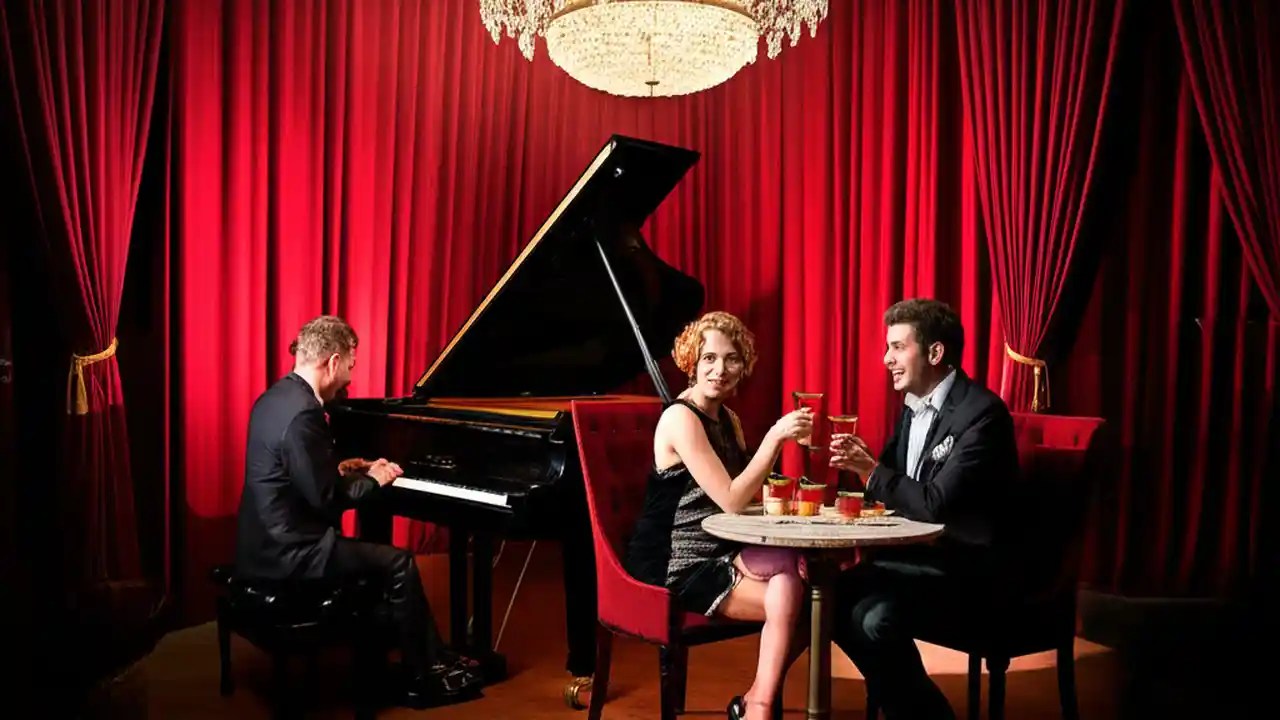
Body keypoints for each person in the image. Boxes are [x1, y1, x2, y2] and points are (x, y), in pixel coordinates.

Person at [235, 315, 481, 707]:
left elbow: (298, 477)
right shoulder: (304, 415)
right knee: (400, 563)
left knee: (378, 561)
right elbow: (328, 501)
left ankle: (423, 655)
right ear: (332, 362)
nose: (350, 376)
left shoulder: (275, 399)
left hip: (262, 542)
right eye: (350, 365)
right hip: (292, 555)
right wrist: (377, 478)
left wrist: (342, 467)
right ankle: (426, 674)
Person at [827, 298, 1017, 719]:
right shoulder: (913, 407)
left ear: (935, 353)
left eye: (897, 347)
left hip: (971, 571)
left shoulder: (981, 414)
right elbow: (894, 490)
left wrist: (871, 471)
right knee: (828, 598)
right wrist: (863, 467)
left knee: (873, 618)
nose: (886, 358)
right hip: (919, 560)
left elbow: (933, 505)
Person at [624, 311, 814, 720]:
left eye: (731, 359)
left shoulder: (729, 420)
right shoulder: (680, 418)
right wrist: (777, 437)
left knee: (807, 582)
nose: (719, 369)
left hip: (722, 549)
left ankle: (754, 701)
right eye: (709, 358)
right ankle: (759, 707)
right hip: (677, 560)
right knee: (799, 599)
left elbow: (749, 492)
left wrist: (800, 483)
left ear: (742, 366)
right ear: (692, 360)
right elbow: (730, 499)